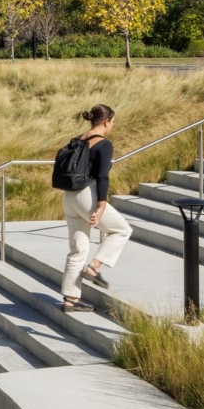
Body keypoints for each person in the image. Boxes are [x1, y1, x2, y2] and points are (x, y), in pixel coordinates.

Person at [61, 103, 131, 309]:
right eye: (113, 121)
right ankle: (94, 267)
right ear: (106, 121)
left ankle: (70, 300)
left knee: (78, 249)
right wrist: (101, 205)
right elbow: (102, 177)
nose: (113, 125)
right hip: (86, 196)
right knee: (122, 230)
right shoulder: (104, 144)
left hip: (68, 196)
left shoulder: (77, 140)